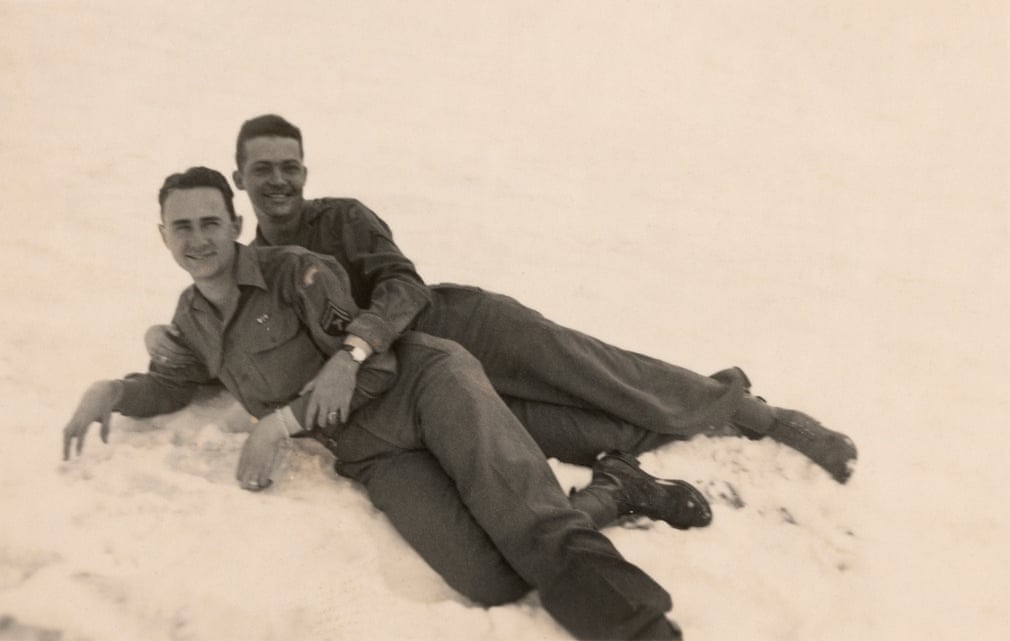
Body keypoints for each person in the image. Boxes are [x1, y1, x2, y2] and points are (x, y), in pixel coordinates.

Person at [63, 166, 707, 640]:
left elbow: (374, 363)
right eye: (182, 227)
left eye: (210, 223)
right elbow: (177, 381)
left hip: (425, 390)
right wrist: (112, 391)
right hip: (369, 451)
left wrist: (279, 425)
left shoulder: (300, 271)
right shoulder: (192, 316)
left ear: (235, 225)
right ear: (162, 236)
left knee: (529, 524)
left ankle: (642, 629)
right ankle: (614, 492)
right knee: (490, 579)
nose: (197, 239)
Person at [148, 114, 857, 485]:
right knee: (562, 429)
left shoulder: (342, 218)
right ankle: (684, 435)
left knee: (600, 371)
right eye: (262, 169)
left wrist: (360, 342)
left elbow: (404, 283)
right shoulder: (242, 263)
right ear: (238, 179)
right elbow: (241, 342)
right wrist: (166, 346)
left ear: (307, 170)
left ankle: (761, 414)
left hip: (465, 324)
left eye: (290, 166)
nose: (278, 179)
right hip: (425, 383)